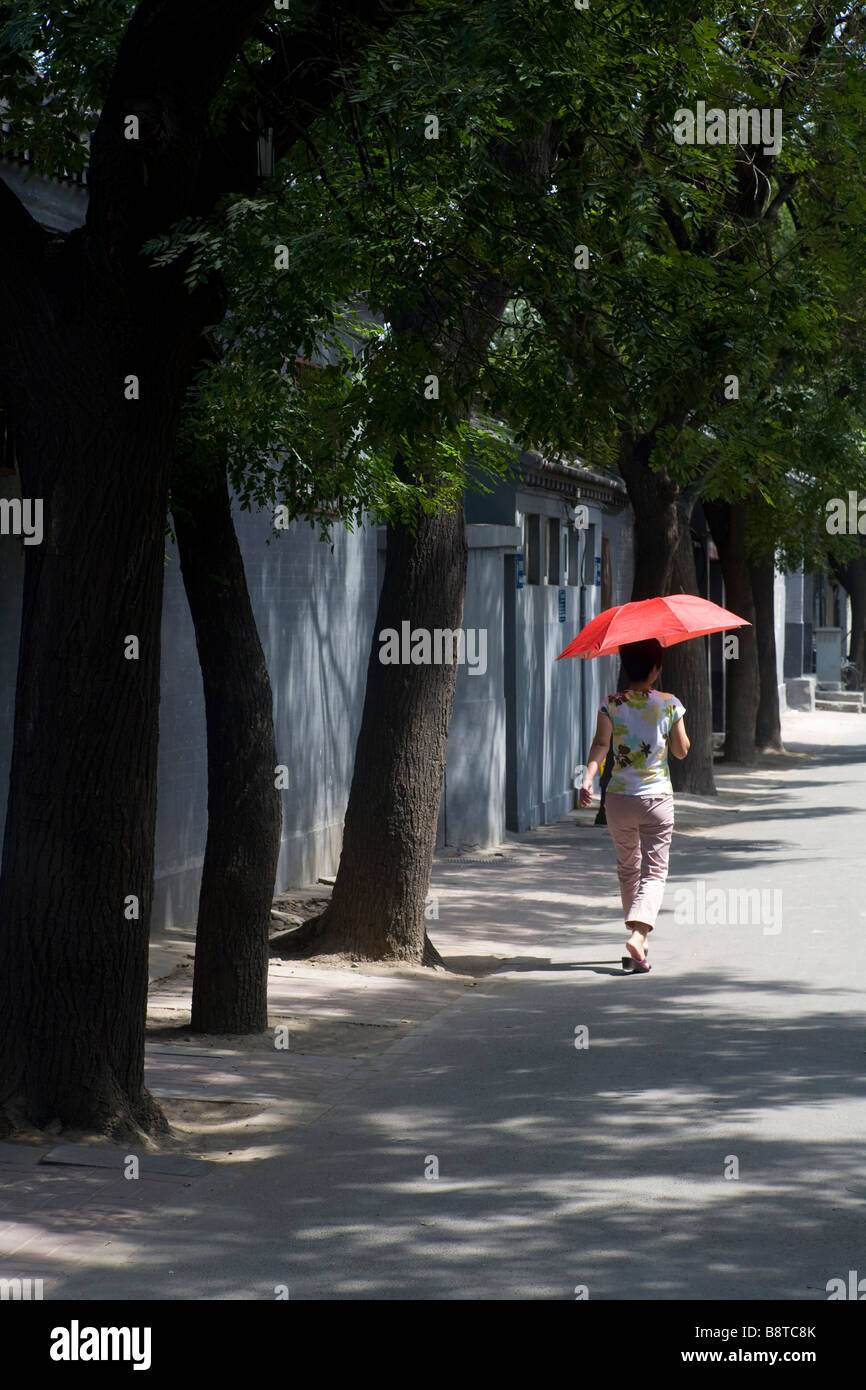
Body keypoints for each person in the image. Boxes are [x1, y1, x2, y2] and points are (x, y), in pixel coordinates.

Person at [579, 637, 690, 972]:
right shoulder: (670, 704)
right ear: (656, 669)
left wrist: (586, 778)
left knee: (628, 869)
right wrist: (672, 729)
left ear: (625, 666)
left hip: (619, 799)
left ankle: (639, 949)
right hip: (657, 799)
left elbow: (600, 744)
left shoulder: (611, 703)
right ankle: (639, 935)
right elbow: (682, 751)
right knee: (654, 871)